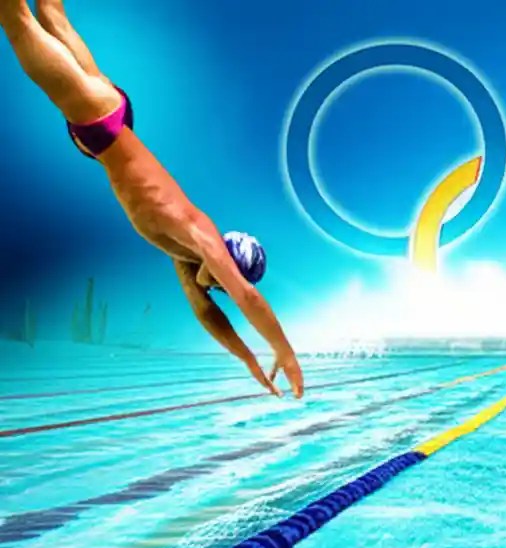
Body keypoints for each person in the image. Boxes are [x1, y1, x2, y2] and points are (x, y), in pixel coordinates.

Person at [0, 0, 303, 397]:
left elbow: (205, 313)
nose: (222, 290)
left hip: (110, 119)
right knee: (16, 19)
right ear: (228, 262)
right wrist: (285, 352)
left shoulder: (185, 254)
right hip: (99, 122)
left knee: (52, 15)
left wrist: (248, 358)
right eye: (228, 282)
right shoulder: (199, 234)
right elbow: (247, 297)